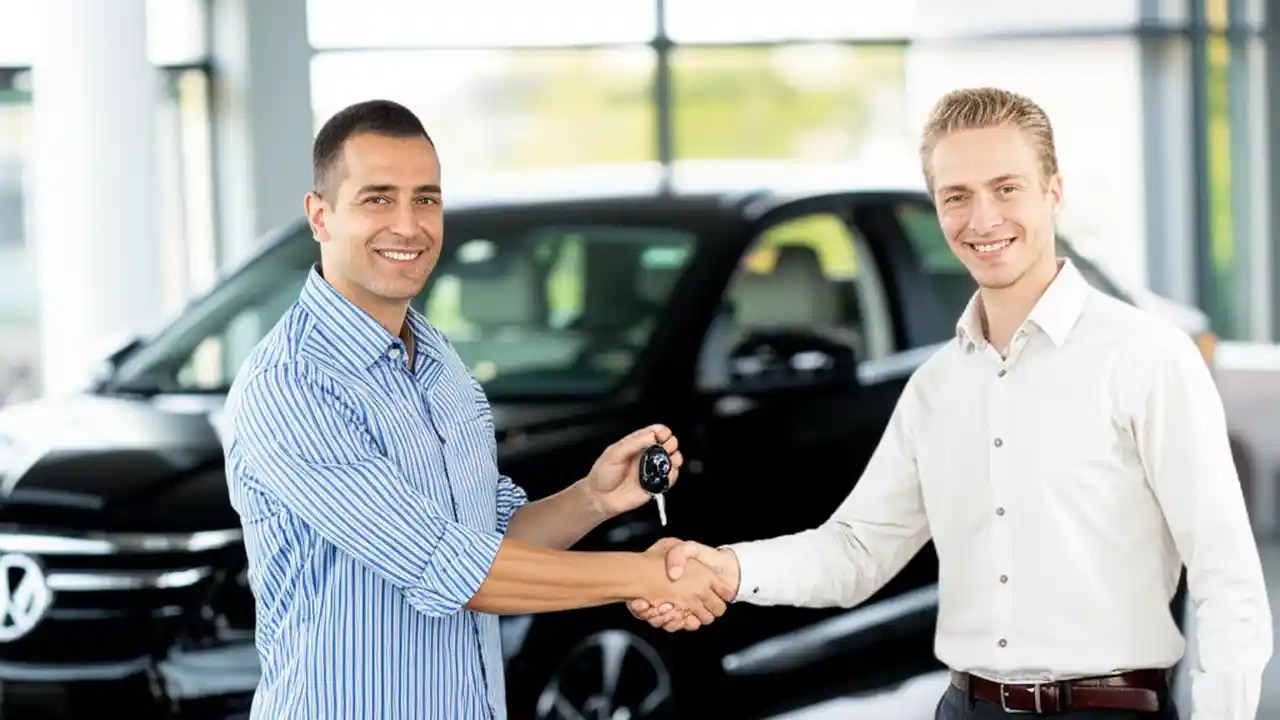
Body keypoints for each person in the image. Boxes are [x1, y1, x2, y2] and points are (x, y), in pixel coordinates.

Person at [629, 87, 1272, 718]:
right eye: (956, 196)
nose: (982, 219)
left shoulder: (1146, 357)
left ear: (1054, 191)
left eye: (1007, 187)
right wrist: (726, 568)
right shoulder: (935, 388)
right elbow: (855, 552)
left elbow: (1226, 578)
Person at [220, 98, 732, 720]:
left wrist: (591, 499)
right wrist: (641, 576)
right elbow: (456, 571)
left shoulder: (437, 360)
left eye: (426, 199)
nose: (408, 225)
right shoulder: (293, 384)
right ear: (320, 216)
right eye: (378, 198)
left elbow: (489, 541)